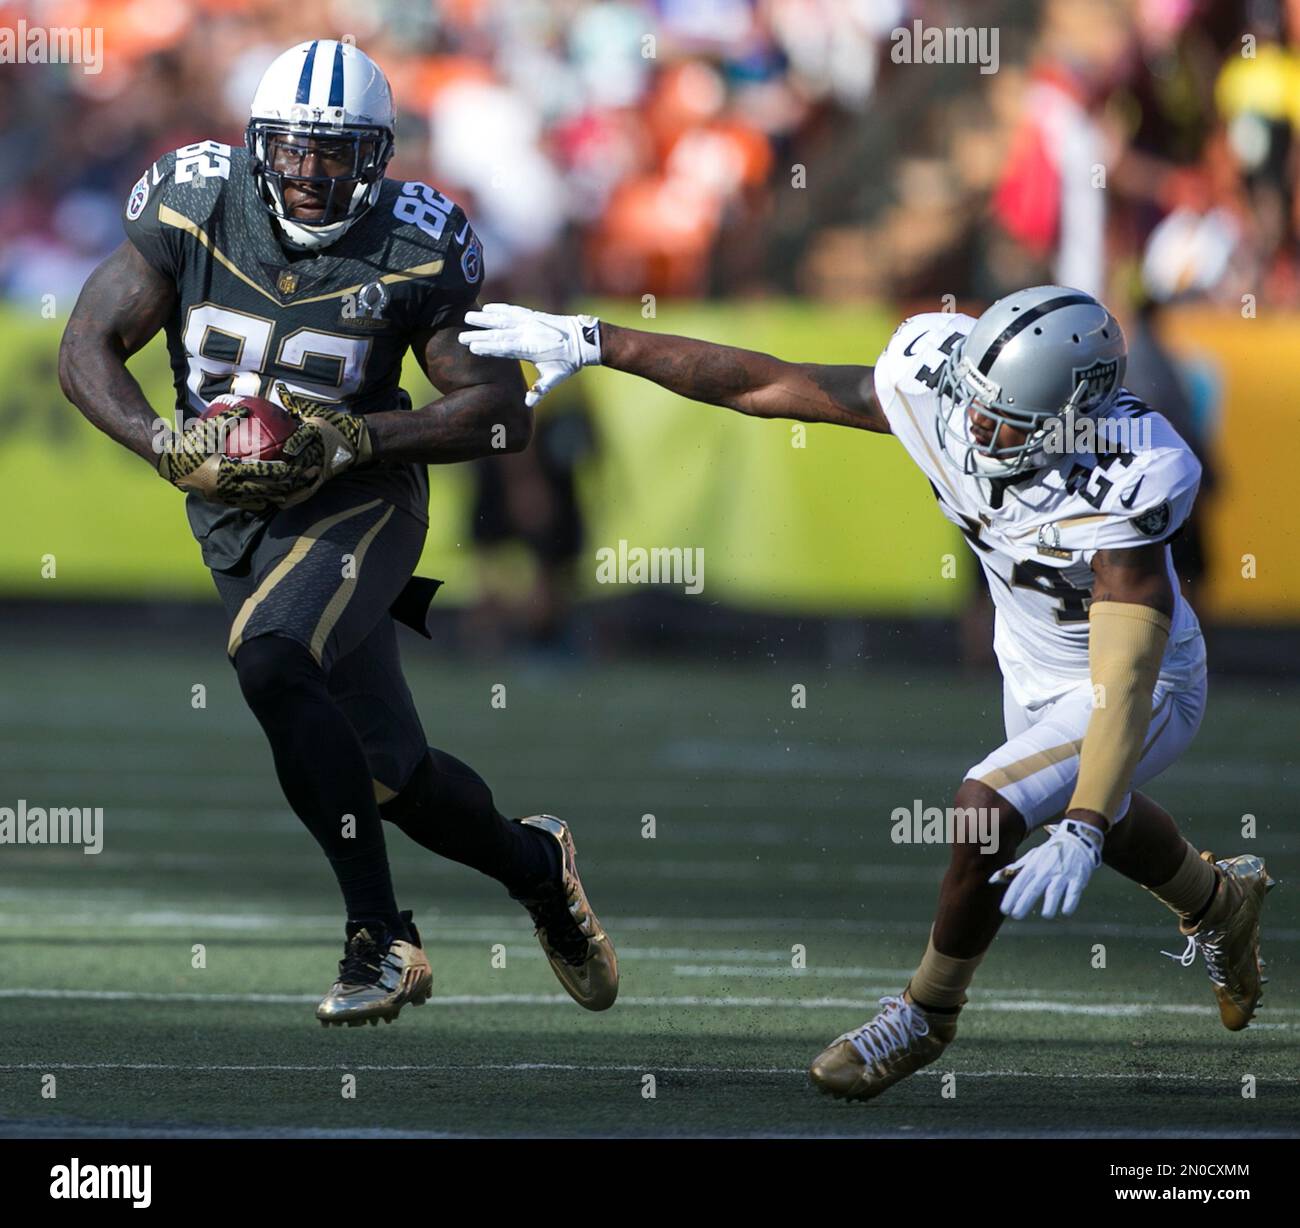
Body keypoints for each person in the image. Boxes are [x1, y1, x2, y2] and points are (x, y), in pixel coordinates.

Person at [461, 288, 1273, 1100]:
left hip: (1142, 680)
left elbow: (1124, 675)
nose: (977, 431)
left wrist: (1086, 825)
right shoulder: (941, 384)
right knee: (1075, 809)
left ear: (1076, 414)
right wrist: (598, 340)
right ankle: (1218, 899)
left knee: (988, 807)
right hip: (1025, 662)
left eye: (1008, 420)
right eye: (975, 407)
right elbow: (761, 383)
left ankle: (924, 1014)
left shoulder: (1135, 466)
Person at [58, 40, 618, 1028]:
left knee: (272, 661)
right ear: (256, 144)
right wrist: (161, 441)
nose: (311, 173)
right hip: (235, 512)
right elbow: (85, 345)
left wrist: (355, 433)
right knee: (389, 772)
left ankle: (380, 937)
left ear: (377, 154)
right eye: (294, 149)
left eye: (336, 152)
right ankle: (537, 866)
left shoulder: (419, 239)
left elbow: (499, 412)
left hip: (361, 495)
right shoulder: (194, 200)